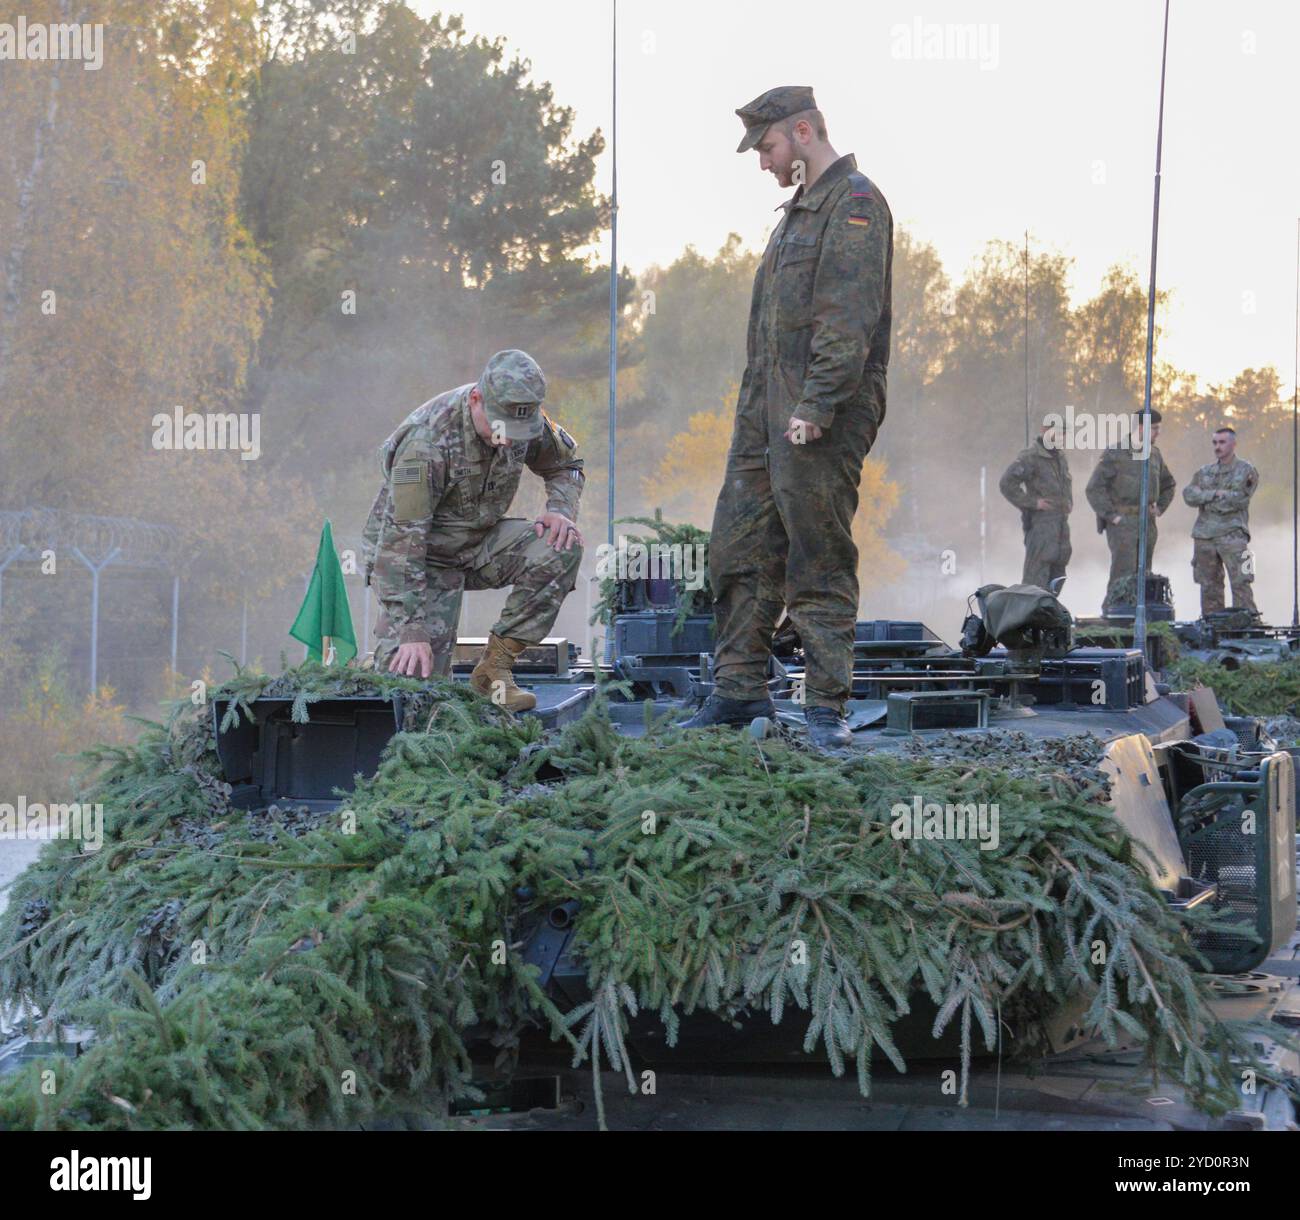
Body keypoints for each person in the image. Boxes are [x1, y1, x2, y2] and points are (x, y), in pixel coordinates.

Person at [681, 85, 893, 750]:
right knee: (738, 545)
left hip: (818, 409)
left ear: (803, 133)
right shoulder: (795, 216)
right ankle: (739, 689)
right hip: (764, 407)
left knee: (816, 554)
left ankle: (827, 707)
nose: (762, 161)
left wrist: (817, 407)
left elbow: (847, 321)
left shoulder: (855, 204)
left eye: (767, 147)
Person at [361, 350, 584, 712]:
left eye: (517, 434)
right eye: (501, 430)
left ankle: (494, 670)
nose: (508, 442)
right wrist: (411, 629)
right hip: (418, 562)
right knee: (415, 693)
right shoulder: (426, 444)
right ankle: (392, 658)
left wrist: (560, 510)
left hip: (477, 542)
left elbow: (567, 464)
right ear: (477, 399)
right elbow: (400, 545)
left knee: (560, 546)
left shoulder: (521, 417)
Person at [1085, 410, 1176, 614]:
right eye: (1154, 429)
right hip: (1123, 523)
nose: (1157, 433)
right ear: (1141, 428)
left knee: (1144, 573)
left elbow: (1169, 484)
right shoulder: (1116, 453)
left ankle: (1139, 615)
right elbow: (1094, 488)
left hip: (1147, 523)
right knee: (1123, 574)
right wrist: (1111, 516)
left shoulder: (1154, 455)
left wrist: (1160, 507)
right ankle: (1114, 614)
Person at [1182, 426, 1259, 617]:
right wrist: (1216, 494)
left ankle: (1246, 625)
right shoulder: (1204, 472)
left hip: (1234, 536)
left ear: (1234, 444)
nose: (1218, 447)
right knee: (1208, 586)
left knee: (1242, 581)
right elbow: (1189, 495)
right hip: (1204, 536)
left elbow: (1239, 499)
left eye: (1222, 442)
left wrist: (1205, 497)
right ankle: (1213, 626)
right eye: (1215, 442)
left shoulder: (1247, 470)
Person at [998, 419, 1073, 590]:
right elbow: (1007, 483)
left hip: (1061, 525)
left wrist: (1068, 502)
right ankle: (1031, 613)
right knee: (1036, 580)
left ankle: (1048, 612)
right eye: (1058, 432)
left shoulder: (1060, 457)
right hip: (1041, 525)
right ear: (1045, 430)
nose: (1062, 437)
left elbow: (1065, 483)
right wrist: (1032, 503)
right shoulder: (1030, 457)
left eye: (1064, 433)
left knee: (1058, 576)